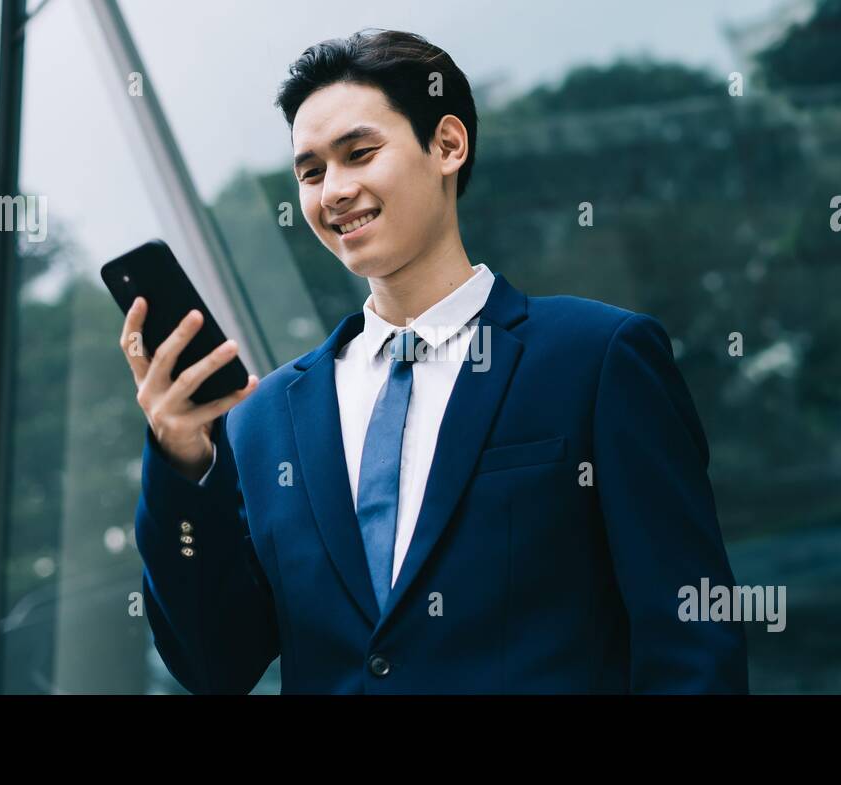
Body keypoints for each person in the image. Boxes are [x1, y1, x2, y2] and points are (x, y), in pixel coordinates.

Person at [122, 28, 746, 694]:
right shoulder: (264, 418)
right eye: (311, 172)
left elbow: (691, 642)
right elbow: (214, 666)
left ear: (448, 145)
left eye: (359, 153)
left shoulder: (596, 358)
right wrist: (181, 464)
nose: (333, 191)